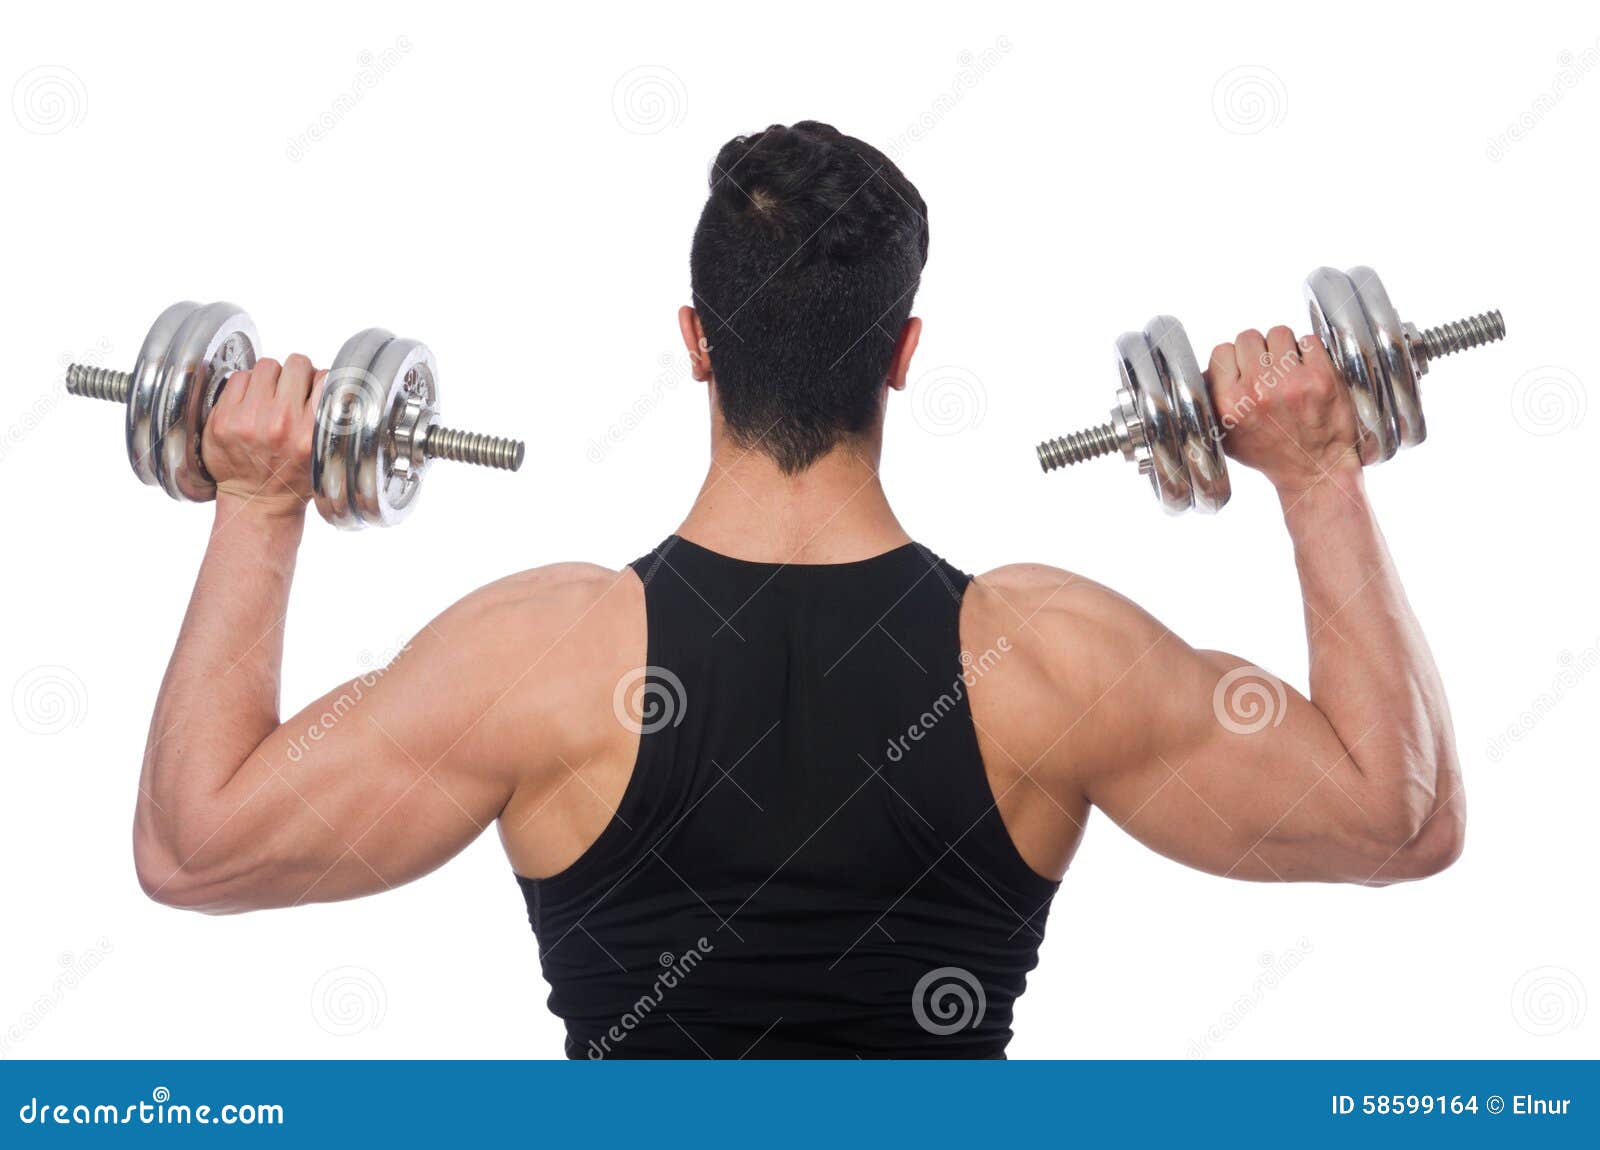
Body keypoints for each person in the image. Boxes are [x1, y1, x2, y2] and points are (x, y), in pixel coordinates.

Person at [130, 121, 1463, 1059]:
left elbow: (194, 848)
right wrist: (1319, 472)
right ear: (903, 353)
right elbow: (1395, 821)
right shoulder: (1050, 652)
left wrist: (258, 501)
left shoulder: (536, 650)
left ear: (695, 343)